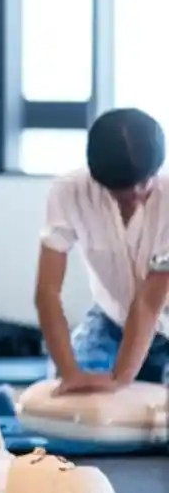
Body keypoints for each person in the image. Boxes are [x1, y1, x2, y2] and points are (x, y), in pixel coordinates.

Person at [35, 107, 169, 393]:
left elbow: (148, 303)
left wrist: (120, 379)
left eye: (145, 182)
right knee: (75, 402)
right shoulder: (68, 192)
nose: (137, 193)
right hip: (110, 319)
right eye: (125, 188)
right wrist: (69, 373)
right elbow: (47, 292)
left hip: (163, 320)